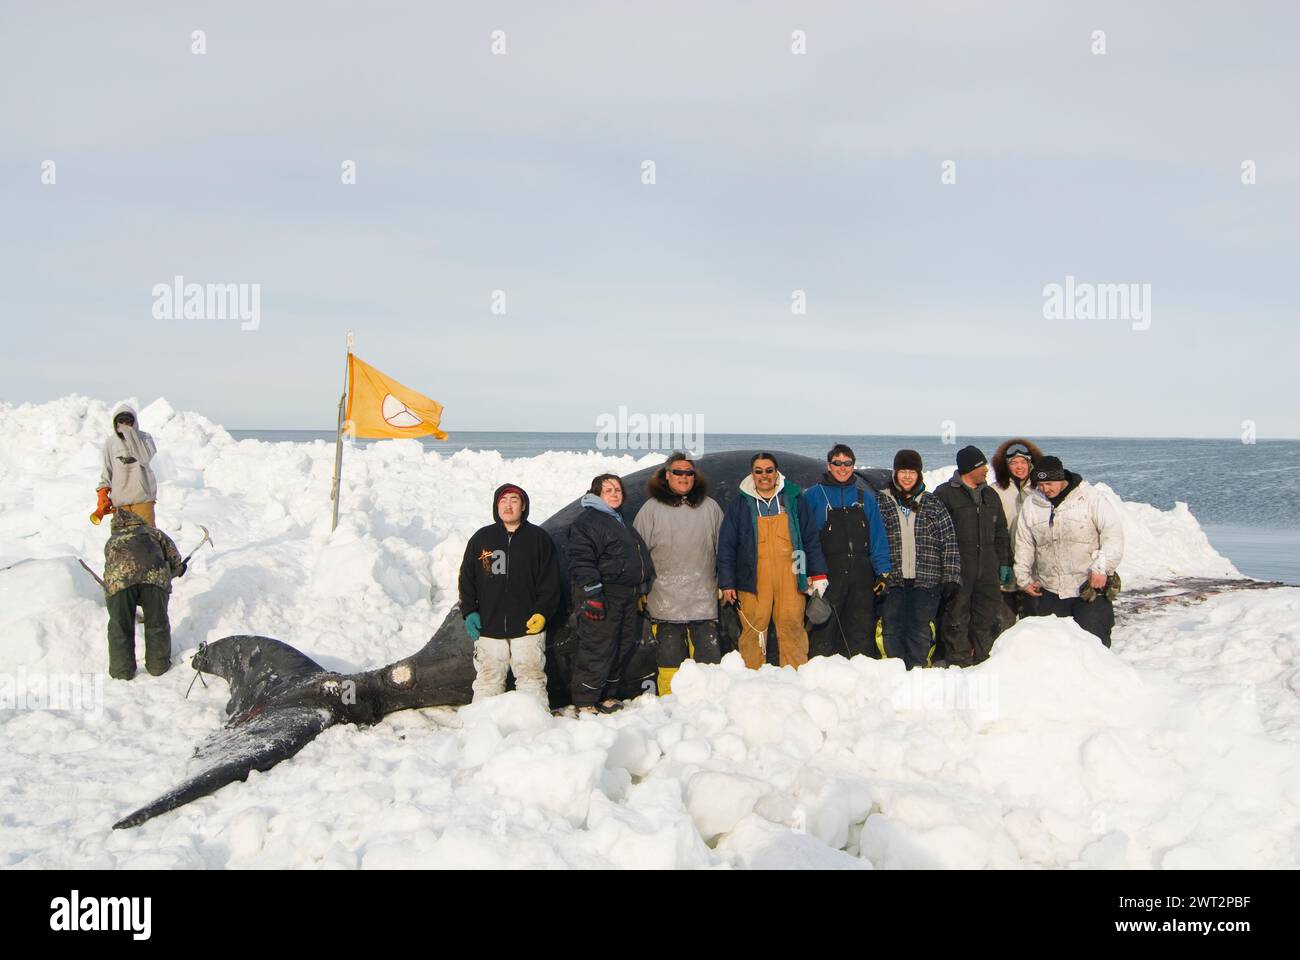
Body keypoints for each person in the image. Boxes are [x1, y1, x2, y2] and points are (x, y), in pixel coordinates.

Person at [717, 453, 827, 670]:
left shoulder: (794, 500)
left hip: (792, 573)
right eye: (758, 471)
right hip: (753, 577)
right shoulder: (740, 505)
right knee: (754, 628)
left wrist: (818, 573)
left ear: (777, 473)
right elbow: (727, 545)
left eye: (769, 470)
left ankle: (795, 674)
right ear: (752, 474)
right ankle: (752, 676)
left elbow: (810, 538)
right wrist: (727, 582)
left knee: (792, 624)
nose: (764, 475)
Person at [457, 483, 562, 709]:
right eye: (503, 501)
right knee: (488, 680)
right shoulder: (482, 538)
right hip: (489, 625)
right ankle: (482, 728)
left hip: (527, 626)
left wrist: (542, 612)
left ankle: (534, 727)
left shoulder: (539, 539)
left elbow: (550, 583)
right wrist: (469, 612)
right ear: (496, 506)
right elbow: (467, 579)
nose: (508, 505)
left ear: (523, 506)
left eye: (514, 500)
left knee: (531, 678)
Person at [632, 452, 724, 695]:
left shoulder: (711, 508)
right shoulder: (650, 510)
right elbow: (637, 554)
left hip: (703, 602)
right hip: (664, 604)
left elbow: (723, 549)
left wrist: (726, 582)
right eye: (678, 472)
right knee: (669, 663)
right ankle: (670, 712)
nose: (684, 477)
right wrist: (640, 589)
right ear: (667, 476)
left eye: (689, 473)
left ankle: (710, 709)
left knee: (709, 665)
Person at [568, 474, 656, 713]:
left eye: (618, 489)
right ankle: (585, 701)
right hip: (605, 594)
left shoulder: (618, 520)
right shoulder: (588, 522)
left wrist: (642, 586)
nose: (615, 493)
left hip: (626, 595)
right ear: (596, 494)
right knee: (598, 646)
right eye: (608, 490)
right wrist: (592, 594)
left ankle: (607, 695)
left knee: (622, 645)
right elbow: (581, 560)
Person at [1015, 456, 1125, 647]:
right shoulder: (1032, 505)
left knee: (1094, 646)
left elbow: (1113, 535)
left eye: (1049, 483)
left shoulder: (1090, 498)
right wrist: (1023, 578)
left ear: (1061, 478)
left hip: (1088, 588)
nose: (1045, 489)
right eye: (1040, 484)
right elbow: (1024, 543)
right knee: (1055, 649)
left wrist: (1101, 568)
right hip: (1050, 590)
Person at [802, 444, 892, 658]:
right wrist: (807, 573)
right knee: (825, 627)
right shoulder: (813, 496)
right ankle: (821, 676)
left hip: (861, 574)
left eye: (847, 463)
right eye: (837, 463)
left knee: (860, 628)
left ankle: (860, 674)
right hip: (828, 573)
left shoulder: (865, 498)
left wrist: (883, 572)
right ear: (829, 465)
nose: (842, 468)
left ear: (853, 466)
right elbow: (805, 539)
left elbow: (877, 536)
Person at [876, 450, 962, 669]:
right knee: (891, 627)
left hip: (926, 580)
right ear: (895, 473)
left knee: (921, 628)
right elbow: (872, 540)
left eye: (911, 472)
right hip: (891, 579)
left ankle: (919, 669)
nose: (907, 477)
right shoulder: (880, 501)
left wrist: (951, 576)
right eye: (902, 471)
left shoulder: (932, 503)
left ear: (919, 474)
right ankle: (892, 670)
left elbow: (949, 540)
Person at [932, 445, 1011, 666]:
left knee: (987, 618)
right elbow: (935, 535)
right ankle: (960, 663)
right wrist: (943, 570)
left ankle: (985, 662)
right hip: (958, 570)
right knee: (956, 618)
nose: (986, 469)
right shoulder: (944, 494)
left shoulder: (990, 495)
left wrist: (1004, 563)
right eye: (981, 465)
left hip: (987, 570)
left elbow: (1001, 533)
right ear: (968, 468)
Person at [103, 507, 187, 679]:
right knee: (157, 623)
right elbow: (174, 557)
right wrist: (177, 569)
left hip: (120, 584)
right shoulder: (153, 533)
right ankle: (159, 666)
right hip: (154, 579)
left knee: (120, 626)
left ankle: (121, 671)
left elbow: (110, 566)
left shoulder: (112, 540)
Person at [991, 438, 1044, 627]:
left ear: (1031, 463)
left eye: (1023, 462)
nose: (1019, 467)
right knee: (1004, 620)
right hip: (1005, 558)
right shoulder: (996, 490)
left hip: (1035, 564)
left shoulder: (1041, 489)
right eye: (1013, 463)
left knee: (1034, 619)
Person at [96, 404, 158, 527]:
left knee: (147, 538)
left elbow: (145, 458)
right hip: (120, 501)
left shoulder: (145, 438)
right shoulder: (111, 443)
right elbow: (108, 469)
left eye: (128, 421)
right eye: (121, 421)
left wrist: (130, 434)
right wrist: (103, 492)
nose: (124, 424)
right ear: (115, 423)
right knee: (123, 541)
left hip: (143, 499)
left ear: (134, 422)